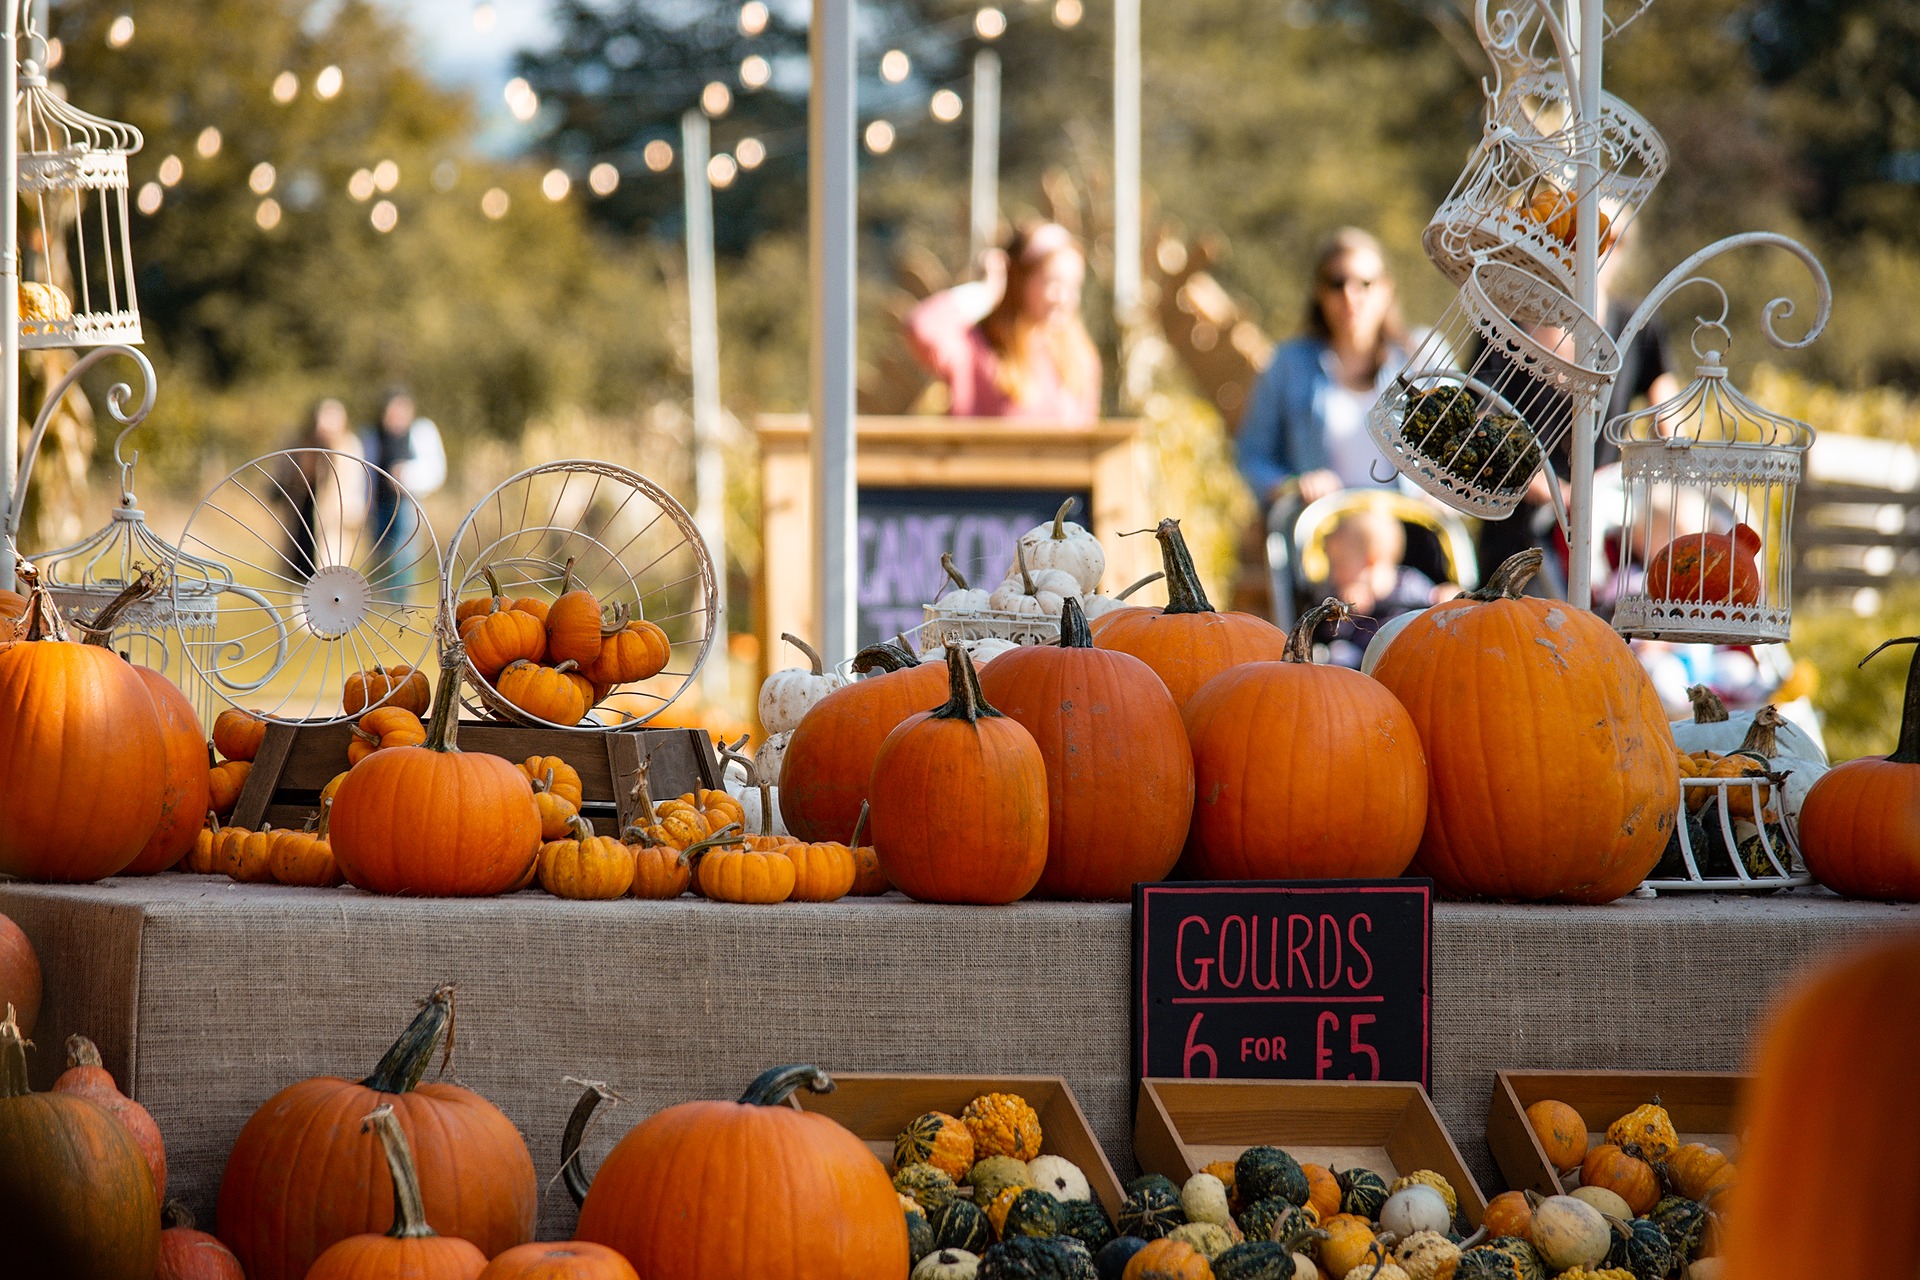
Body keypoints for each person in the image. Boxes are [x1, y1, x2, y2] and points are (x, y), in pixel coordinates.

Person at [1474, 217, 1684, 584]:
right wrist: (1557, 494)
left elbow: (1668, 408)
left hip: (1604, 522)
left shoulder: (1636, 322)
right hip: (1522, 527)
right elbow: (1483, 420)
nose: (1596, 251)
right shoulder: (1506, 323)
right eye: (1582, 238)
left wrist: (1666, 451)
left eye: (1610, 239)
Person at [1236, 228, 1417, 507]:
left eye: (1364, 283)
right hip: (1323, 526)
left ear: (1386, 289)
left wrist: (1439, 496)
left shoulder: (1423, 358)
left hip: (1417, 523)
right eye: (1337, 283)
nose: (1349, 295)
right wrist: (1292, 485)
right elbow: (1251, 455)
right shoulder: (1288, 364)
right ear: (1320, 293)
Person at [905, 222, 1101, 424]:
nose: (1064, 298)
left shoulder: (1080, 358)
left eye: (1074, 285)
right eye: (1053, 282)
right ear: (1018, 280)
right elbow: (922, 326)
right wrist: (987, 292)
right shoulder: (977, 350)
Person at [1311, 503, 1449, 669]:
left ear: (1370, 561)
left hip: (1404, 649)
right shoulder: (1343, 595)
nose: (1332, 574)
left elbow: (1434, 603)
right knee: (1337, 653)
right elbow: (1331, 634)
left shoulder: (1409, 583)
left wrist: (1445, 596)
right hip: (1362, 658)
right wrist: (1346, 610)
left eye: (1337, 564)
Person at [360, 389, 446, 597]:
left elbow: (436, 471)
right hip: (379, 502)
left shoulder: (421, 433)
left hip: (407, 502)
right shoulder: (372, 436)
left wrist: (405, 475)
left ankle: (400, 601)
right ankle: (379, 597)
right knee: (379, 550)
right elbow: (364, 473)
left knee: (402, 552)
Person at [276, 398, 367, 580]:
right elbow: (284, 475)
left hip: (332, 521)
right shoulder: (301, 445)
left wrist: (351, 513)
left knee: (329, 571)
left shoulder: (348, 446)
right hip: (303, 514)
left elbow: (355, 484)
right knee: (300, 570)